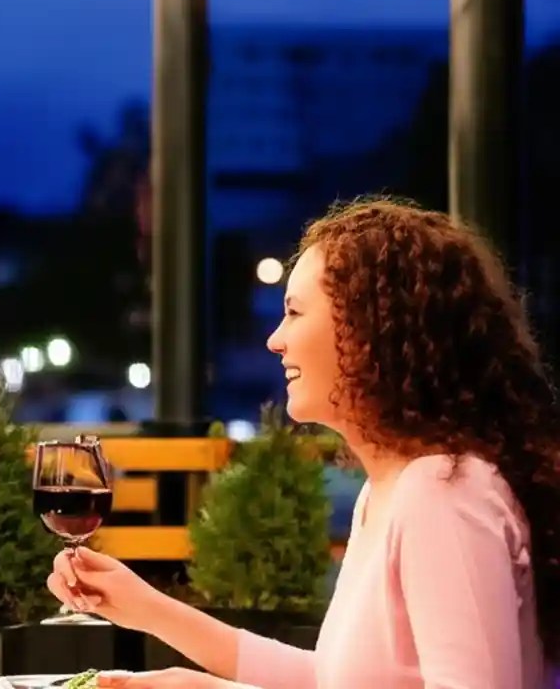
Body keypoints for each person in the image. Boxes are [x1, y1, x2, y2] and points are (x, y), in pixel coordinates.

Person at [50, 199, 558, 688]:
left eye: (294, 312)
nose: (276, 339)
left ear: (368, 329)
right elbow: (332, 680)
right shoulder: (391, 491)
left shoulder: (442, 492)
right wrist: (148, 610)